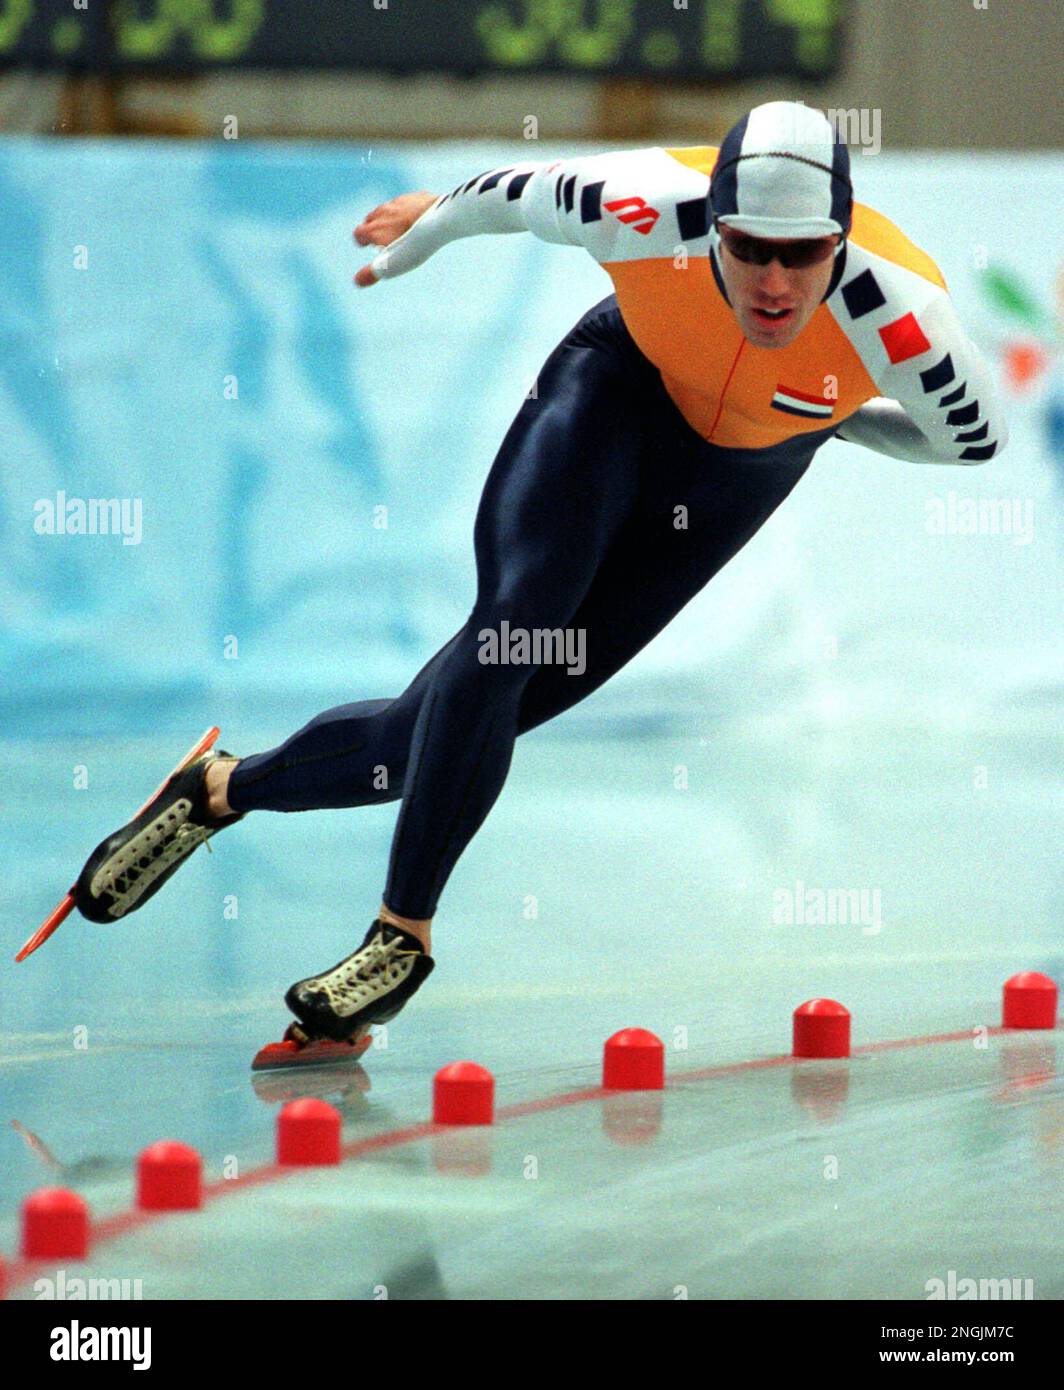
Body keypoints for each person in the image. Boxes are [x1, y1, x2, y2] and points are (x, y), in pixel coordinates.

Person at [73, 102, 1007, 1054]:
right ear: (712, 221)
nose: (772, 281)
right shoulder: (643, 202)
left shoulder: (906, 322)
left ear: (839, 240)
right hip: (612, 395)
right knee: (512, 628)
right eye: (746, 246)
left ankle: (220, 790)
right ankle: (401, 937)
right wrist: (421, 231)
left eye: (801, 255)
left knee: (429, 736)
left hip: (734, 480)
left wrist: (831, 418)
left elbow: (969, 445)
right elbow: (504, 198)